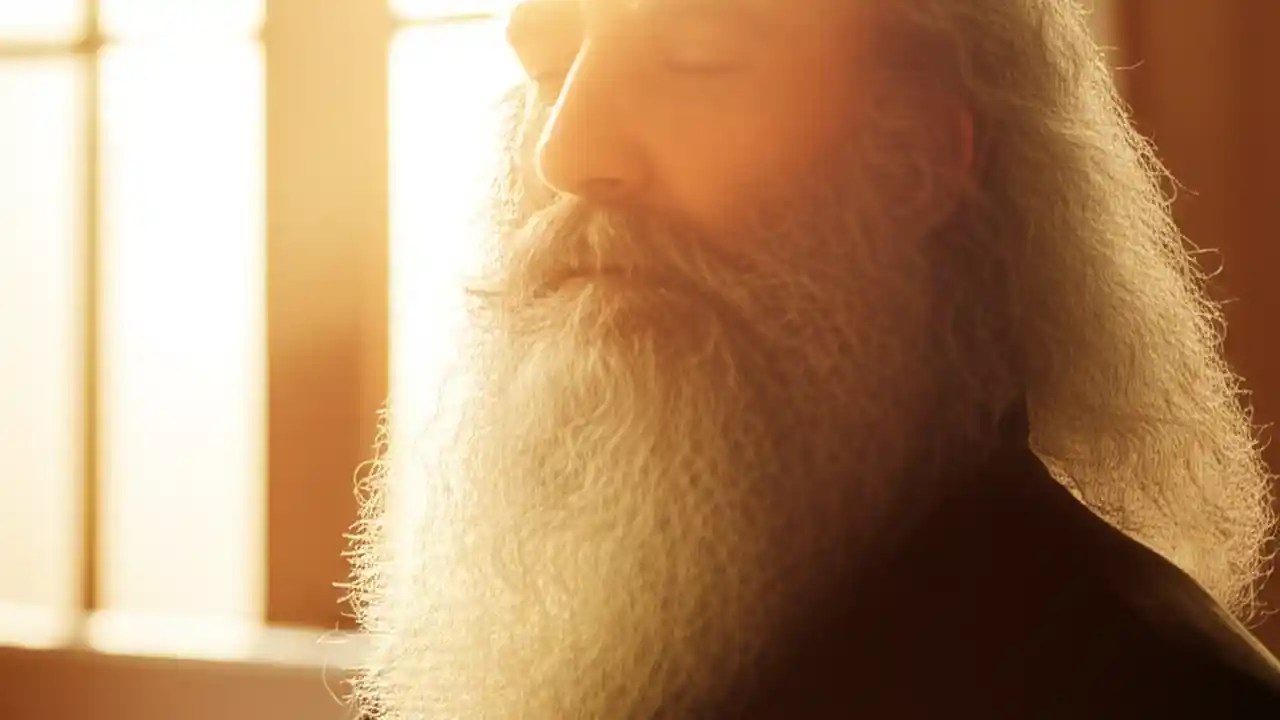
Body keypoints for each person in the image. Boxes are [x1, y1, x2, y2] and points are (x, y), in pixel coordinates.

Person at [347, 0, 1280, 716]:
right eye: (547, 70)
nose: (568, 150)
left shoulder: (1156, 693)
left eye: (693, 56)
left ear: (919, 153)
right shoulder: (610, 645)